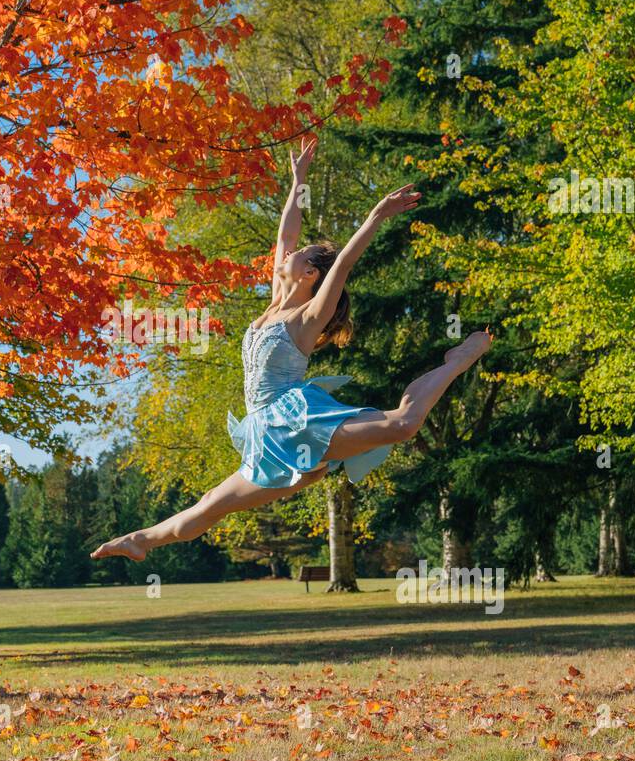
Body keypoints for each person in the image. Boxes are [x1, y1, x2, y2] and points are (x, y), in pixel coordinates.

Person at [91, 137, 491, 562]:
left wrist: (375, 216)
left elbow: (343, 265)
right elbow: (287, 231)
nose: (289, 251)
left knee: (404, 424)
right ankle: (141, 540)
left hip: (299, 422)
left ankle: (458, 360)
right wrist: (298, 179)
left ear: (310, 272)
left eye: (300, 253)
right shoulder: (272, 306)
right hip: (264, 434)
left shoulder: (307, 317)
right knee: (210, 503)